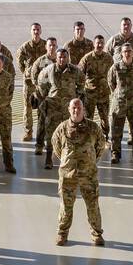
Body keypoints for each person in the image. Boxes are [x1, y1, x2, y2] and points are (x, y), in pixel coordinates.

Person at [50, 98, 105, 247]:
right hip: (68, 175)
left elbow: (100, 146)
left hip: (88, 175)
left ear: (83, 109)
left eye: (79, 107)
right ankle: (62, 233)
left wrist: (90, 161)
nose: (76, 110)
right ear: (69, 109)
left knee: (93, 205)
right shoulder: (62, 128)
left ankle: (97, 234)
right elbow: (56, 146)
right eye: (73, 108)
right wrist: (67, 162)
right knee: (66, 206)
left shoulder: (93, 128)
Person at [35, 46, 82, 170]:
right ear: (56, 58)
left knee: (70, 132)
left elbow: (81, 83)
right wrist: (44, 97)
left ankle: (69, 159)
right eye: (60, 57)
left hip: (68, 108)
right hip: (53, 107)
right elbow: (41, 83)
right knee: (51, 132)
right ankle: (49, 157)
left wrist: (76, 96)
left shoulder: (75, 70)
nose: (62, 59)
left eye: (64, 57)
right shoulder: (49, 69)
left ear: (68, 58)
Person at [108, 42, 133, 163]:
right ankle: (115, 154)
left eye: (129, 51)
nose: (127, 53)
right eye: (125, 51)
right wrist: (120, 94)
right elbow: (111, 83)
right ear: (122, 53)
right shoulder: (116, 67)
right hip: (119, 105)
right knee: (116, 131)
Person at [15, 23, 47, 142]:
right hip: (29, 82)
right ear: (31, 31)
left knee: (42, 107)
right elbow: (19, 61)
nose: (36, 32)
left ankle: (41, 131)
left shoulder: (45, 45)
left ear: (41, 31)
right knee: (28, 107)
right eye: (34, 29)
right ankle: (28, 132)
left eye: (38, 29)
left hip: (42, 82)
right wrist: (26, 72)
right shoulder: (25, 47)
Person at [77, 35, 114, 139]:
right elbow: (79, 75)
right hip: (90, 94)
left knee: (105, 118)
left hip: (104, 94)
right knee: (88, 118)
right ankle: (88, 139)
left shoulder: (108, 58)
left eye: (102, 43)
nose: (100, 45)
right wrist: (80, 91)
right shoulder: (87, 58)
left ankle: (105, 137)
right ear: (94, 44)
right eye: (98, 43)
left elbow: (113, 74)